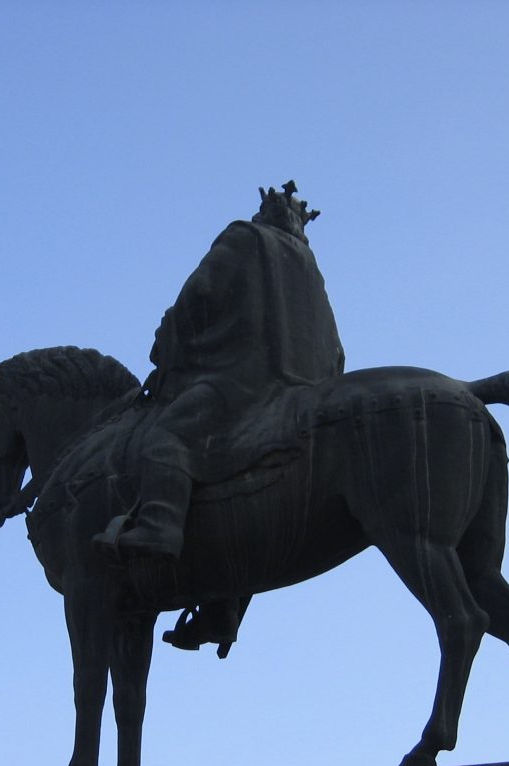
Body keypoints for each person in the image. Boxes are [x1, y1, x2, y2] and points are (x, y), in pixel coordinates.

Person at [95, 183, 345, 647]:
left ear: (264, 211)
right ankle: (224, 604)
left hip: (240, 382)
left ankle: (161, 525)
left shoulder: (244, 238)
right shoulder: (309, 267)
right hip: (304, 392)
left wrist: (168, 337)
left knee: (166, 438)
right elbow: (335, 346)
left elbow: (200, 294)